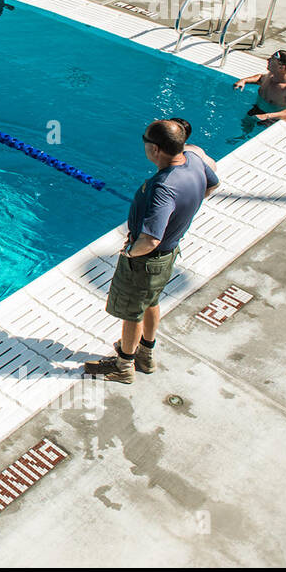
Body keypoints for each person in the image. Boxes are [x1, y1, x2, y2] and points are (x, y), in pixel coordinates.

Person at [86, 119, 219, 384]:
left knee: (132, 312)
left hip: (147, 260)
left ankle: (124, 366)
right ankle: (146, 354)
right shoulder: (193, 160)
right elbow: (212, 185)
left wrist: (129, 253)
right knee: (151, 301)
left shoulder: (164, 187)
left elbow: (151, 240)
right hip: (169, 254)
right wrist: (185, 211)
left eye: (145, 141)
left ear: (155, 149)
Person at [234, 49, 286, 130]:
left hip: (271, 119)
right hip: (257, 110)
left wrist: (267, 116)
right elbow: (259, 78)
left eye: (272, 60)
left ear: (281, 67)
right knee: (243, 129)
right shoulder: (271, 75)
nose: (268, 60)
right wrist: (244, 80)